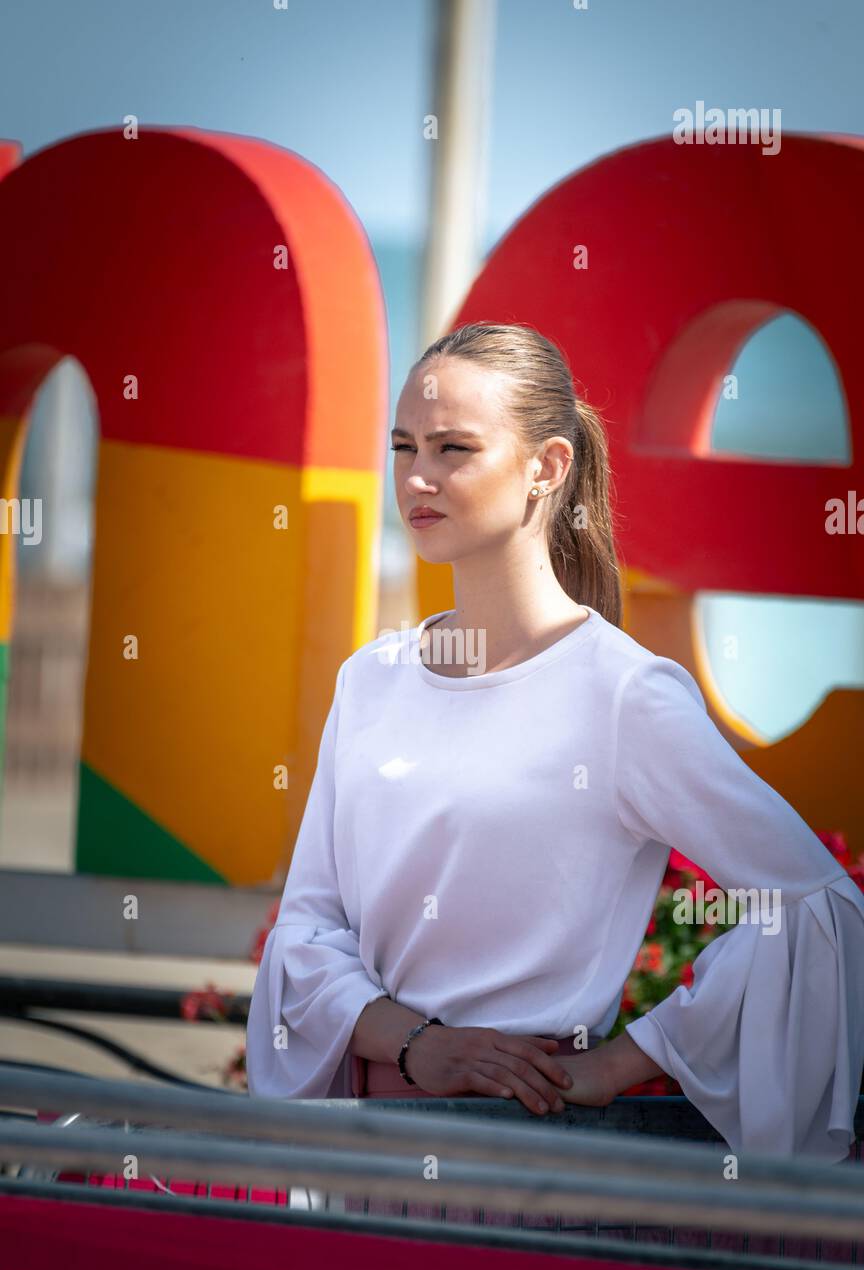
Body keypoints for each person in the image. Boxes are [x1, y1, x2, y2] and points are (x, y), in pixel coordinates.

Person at [246, 321, 864, 1165]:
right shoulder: (371, 679)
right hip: (361, 1154)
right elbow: (308, 928)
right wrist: (420, 1044)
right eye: (403, 447)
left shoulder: (623, 695)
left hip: (533, 1160)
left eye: (454, 448)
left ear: (548, 467)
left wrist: (623, 1061)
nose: (418, 477)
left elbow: (818, 906)